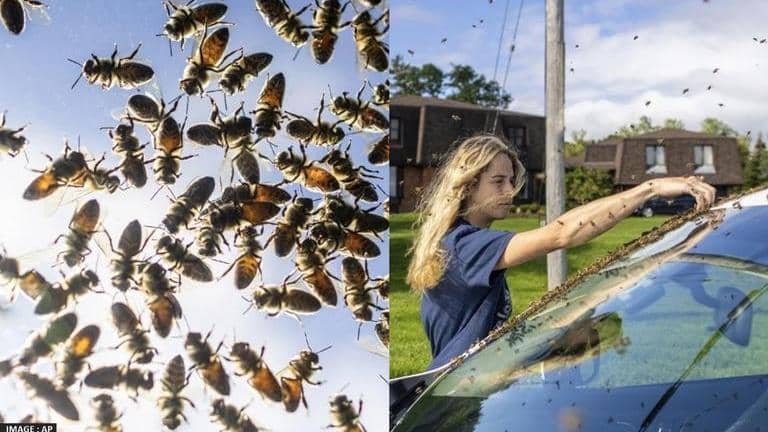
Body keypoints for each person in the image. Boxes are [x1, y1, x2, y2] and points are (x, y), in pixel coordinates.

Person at [406, 134, 716, 369]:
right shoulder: (465, 246)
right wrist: (650, 189)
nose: (510, 191)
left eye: (511, 181)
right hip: (454, 399)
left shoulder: (461, 242)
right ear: (468, 186)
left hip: (469, 390)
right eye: (498, 181)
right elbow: (561, 233)